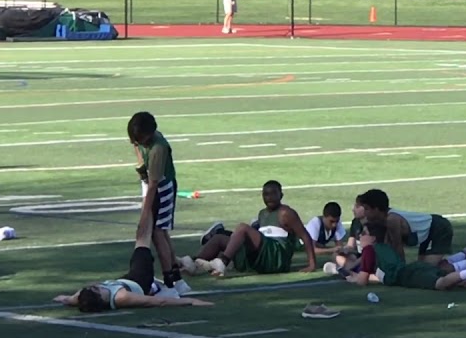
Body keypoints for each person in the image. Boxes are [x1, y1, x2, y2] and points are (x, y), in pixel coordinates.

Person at [56, 215, 212, 313]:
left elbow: (69, 299)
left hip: (125, 279)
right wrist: (191, 301)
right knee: (142, 235)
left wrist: (65, 299)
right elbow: (159, 302)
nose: (97, 285)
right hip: (140, 279)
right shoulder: (122, 298)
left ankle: (150, 202)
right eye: (97, 289)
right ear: (102, 299)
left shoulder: (84, 296)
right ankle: (149, 198)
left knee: (145, 234)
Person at [181, 180, 318, 277]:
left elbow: (305, 236)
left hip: (277, 258)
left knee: (242, 228)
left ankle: (222, 262)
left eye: (273, 194)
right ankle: (194, 263)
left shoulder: (286, 213)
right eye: (265, 194)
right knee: (219, 238)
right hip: (262, 255)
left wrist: (312, 264)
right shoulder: (262, 213)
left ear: (281, 195)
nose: (269, 197)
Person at [342, 222, 466, 294]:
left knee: (441, 284)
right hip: (412, 269)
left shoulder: (370, 250)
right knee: (464, 283)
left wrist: (355, 279)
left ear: (373, 238)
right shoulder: (383, 248)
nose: (361, 236)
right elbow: (381, 275)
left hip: (408, 275)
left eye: (364, 234)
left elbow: (362, 281)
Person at [128, 111, 186, 296]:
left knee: (157, 232)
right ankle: (176, 277)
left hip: (163, 188)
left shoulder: (158, 149)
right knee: (159, 232)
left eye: (140, 140)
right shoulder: (143, 140)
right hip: (154, 184)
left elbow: (154, 184)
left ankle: (170, 280)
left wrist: (145, 212)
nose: (137, 143)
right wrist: (140, 164)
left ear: (150, 134)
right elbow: (135, 145)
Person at [360, 189, 455, 265]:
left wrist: (401, 269)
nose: (364, 212)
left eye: (367, 209)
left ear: (376, 209)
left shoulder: (392, 220)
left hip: (438, 227)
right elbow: (388, 243)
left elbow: (397, 246)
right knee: (422, 266)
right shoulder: (383, 219)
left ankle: (462, 260)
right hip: (427, 234)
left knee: (428, 268)